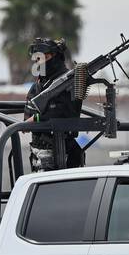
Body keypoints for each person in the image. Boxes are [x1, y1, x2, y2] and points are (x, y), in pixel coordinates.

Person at [25, 37, 84, 172]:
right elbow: (28, 114)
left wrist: (37, 118)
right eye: (36, 59)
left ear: (52, 56)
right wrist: (33, 118)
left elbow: (65, 112)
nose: (38, 63)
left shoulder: (67, 82)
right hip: (40, 151)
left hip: (62, 153)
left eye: (41, 58)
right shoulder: (40, 84)